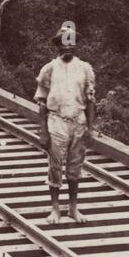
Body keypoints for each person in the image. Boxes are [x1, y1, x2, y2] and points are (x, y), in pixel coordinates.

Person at [34, 24, 96, 225]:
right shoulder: (49, 69)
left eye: (71, 41)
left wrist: (90, 129)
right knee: (55, 165)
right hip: (56, 121)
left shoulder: (85, 68)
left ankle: (73, 208)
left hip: (78, 121)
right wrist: (43, 131)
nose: (67, 46)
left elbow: (90, 100)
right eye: (63, 42)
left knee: (75, 166)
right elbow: (42, 102)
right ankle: (54, 208)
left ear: (75, 44)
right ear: (58, 45)